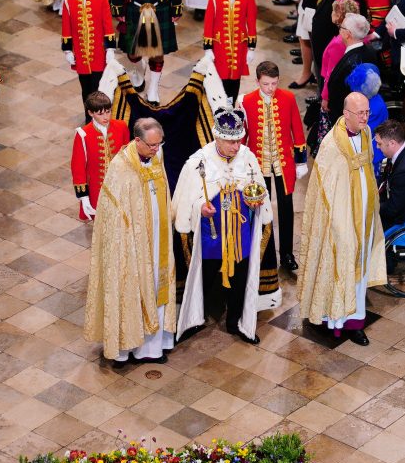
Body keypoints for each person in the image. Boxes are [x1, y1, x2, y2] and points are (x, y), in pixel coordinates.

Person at [171, 107, 277, 344]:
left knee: (240, 277)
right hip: (211, 234)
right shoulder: (198, 161)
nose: (236, 147)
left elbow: (258, 190)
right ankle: (196, 318)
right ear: (217, 137)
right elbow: (187, 201)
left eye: (239, 140)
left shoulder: (248, 158)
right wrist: (201, 207)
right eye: (231, 142)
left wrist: (256, 201)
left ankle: (236, 322)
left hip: (240, 233)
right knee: (204, 276)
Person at [84, 118, 176, 365]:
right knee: (131, 289)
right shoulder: (121, 167)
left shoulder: (157, 155)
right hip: (132, 245)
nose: (156, 149)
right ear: (137, 140)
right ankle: (125, 348)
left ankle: (152, 349)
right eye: (151, 145)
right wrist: (126, 243)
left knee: (157, 285)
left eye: (159, 144)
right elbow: (112, 215)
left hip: (158, 239)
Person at [297, 92, 386, 346]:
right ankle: (334, 320)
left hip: (364, 215)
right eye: (360, 113)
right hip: (340, 219)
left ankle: (355, 321)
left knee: (359, 266)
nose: (365, 118)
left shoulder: (366, 133)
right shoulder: (332, 145)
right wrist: (337, 223)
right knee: (341, 264)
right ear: (346, 114)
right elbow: (324, 189)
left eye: (367, 112)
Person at [242, 62, 306, 271]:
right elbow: (244, 135)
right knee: (261, 207)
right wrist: (240, 163)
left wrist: (301, 161)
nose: (270, 88)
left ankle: (287, 254)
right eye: (266, 84)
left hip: (283, 164)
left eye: (274, 83)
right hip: (258, 165)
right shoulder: (247, 101)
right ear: (257, 81)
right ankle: (264, 253)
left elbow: (297, 129)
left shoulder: (288, 98)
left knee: (286, 208)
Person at [61, 0, 115, 117]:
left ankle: (100, 117)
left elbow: (107, 24)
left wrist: (110, 49)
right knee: (85, 90)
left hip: (99, 53)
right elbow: (66, 26)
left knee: (98, 89)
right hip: (81, 56)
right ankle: (88, 119)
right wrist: (67, 51)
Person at [71, 92, 131, 223]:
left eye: (108, 112)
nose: (106, 117)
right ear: (90, 113)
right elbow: (78, 168)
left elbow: (128, 156)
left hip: (119, 185)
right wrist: (84, 197)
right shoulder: (83, 134)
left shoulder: (121, 126)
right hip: (96, 189)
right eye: (100, 114)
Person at [202, 0, 256, 99]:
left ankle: (231, 107)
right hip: (220, 45)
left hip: (240, 46)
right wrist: (208, 48)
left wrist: (251, 49)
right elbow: (208, 23)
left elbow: (251, 23)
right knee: (220, 78)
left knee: (235, 79)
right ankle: (220, 106)